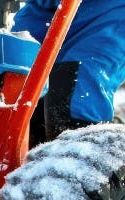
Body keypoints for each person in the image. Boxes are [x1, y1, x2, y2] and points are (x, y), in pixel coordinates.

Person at [11, 0, 125, 145]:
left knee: (74, 88)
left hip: (106, 11)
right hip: (44, 8)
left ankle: (81, 152)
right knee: (16, 79)